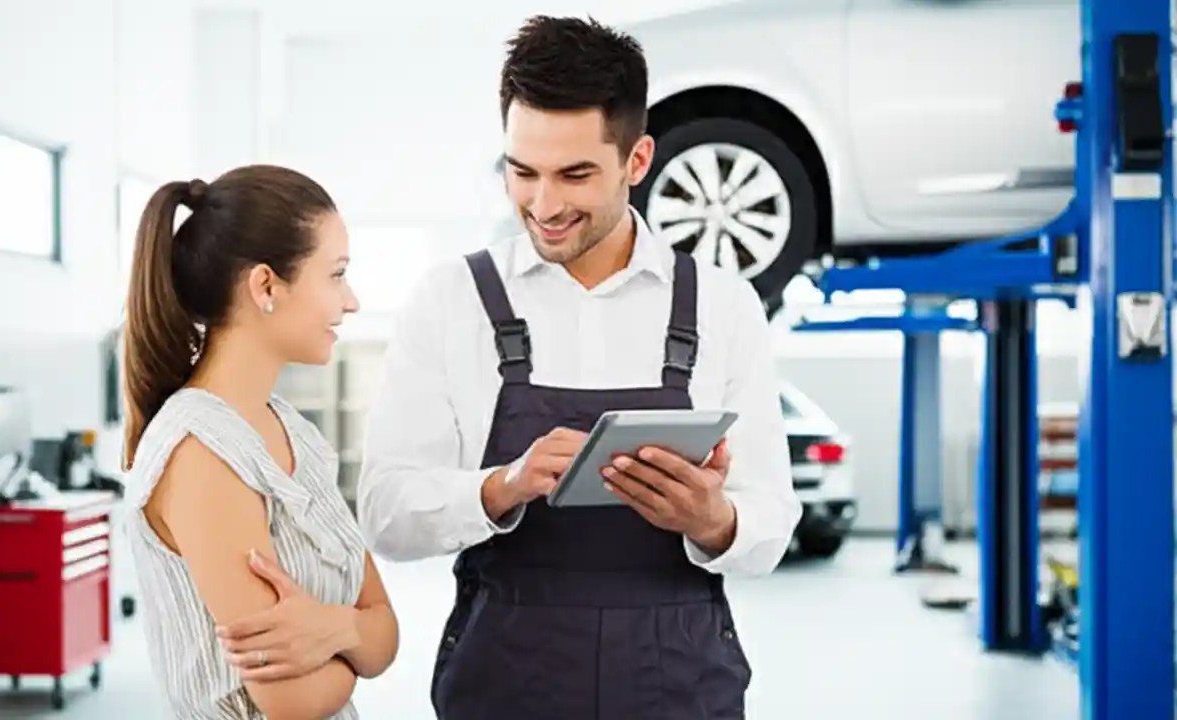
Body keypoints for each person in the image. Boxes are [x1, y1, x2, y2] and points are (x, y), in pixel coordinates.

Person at [357, 15, 802, 720]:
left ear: (638, 159)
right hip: (505, 681)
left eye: (575, 174)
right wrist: (501, 487)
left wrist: (715, 520)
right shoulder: (451, 301)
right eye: (521, 171)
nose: (544, 204)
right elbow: (383, 511)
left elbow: (770, 523)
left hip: (678, 684)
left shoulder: (724, 305)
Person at [121, 165, 398, 720]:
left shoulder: (293, 432)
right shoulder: (201, 453)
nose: (352, 301)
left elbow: (386, 629)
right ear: (266, 286)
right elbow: (292, 702)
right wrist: (355, 641)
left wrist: (331, 629)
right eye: (336, 274)